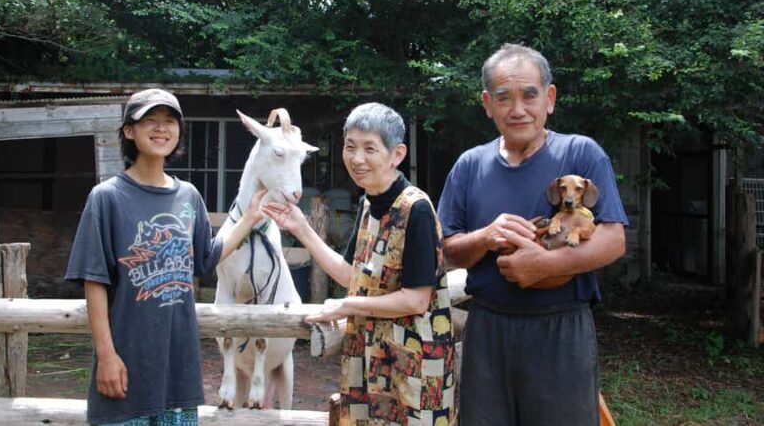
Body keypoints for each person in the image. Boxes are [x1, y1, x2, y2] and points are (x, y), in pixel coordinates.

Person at [437, 44, 628, 425]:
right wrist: (485, 237)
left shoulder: (581, 154)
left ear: (550, 98)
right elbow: (445, 252)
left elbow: (613, 239)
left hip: (561, 328)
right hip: (488, 329)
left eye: (529, 94)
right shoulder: (469, 166)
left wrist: (545, 264)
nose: (518, 109)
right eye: (504, 98)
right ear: (488, 104)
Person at [65, 88, 266, 425]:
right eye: (150, 121)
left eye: (170, 121)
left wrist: (248, 219)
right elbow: (94, 281)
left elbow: (206, 258)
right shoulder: (107, 198)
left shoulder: (189, 196)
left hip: (178, 370)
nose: (161, 129)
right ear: (129, 130)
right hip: (125, 366)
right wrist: (106, 357)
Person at [263, 102, 455, 426]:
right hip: (370, 359)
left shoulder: (416, 209)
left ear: (397, 154)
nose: (357, 158)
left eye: (369, 148)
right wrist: (301, 228)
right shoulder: (370, 202)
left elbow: (417, 298)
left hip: (415, 368)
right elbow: (351, 275)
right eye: (350, 147)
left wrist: (346, 306)